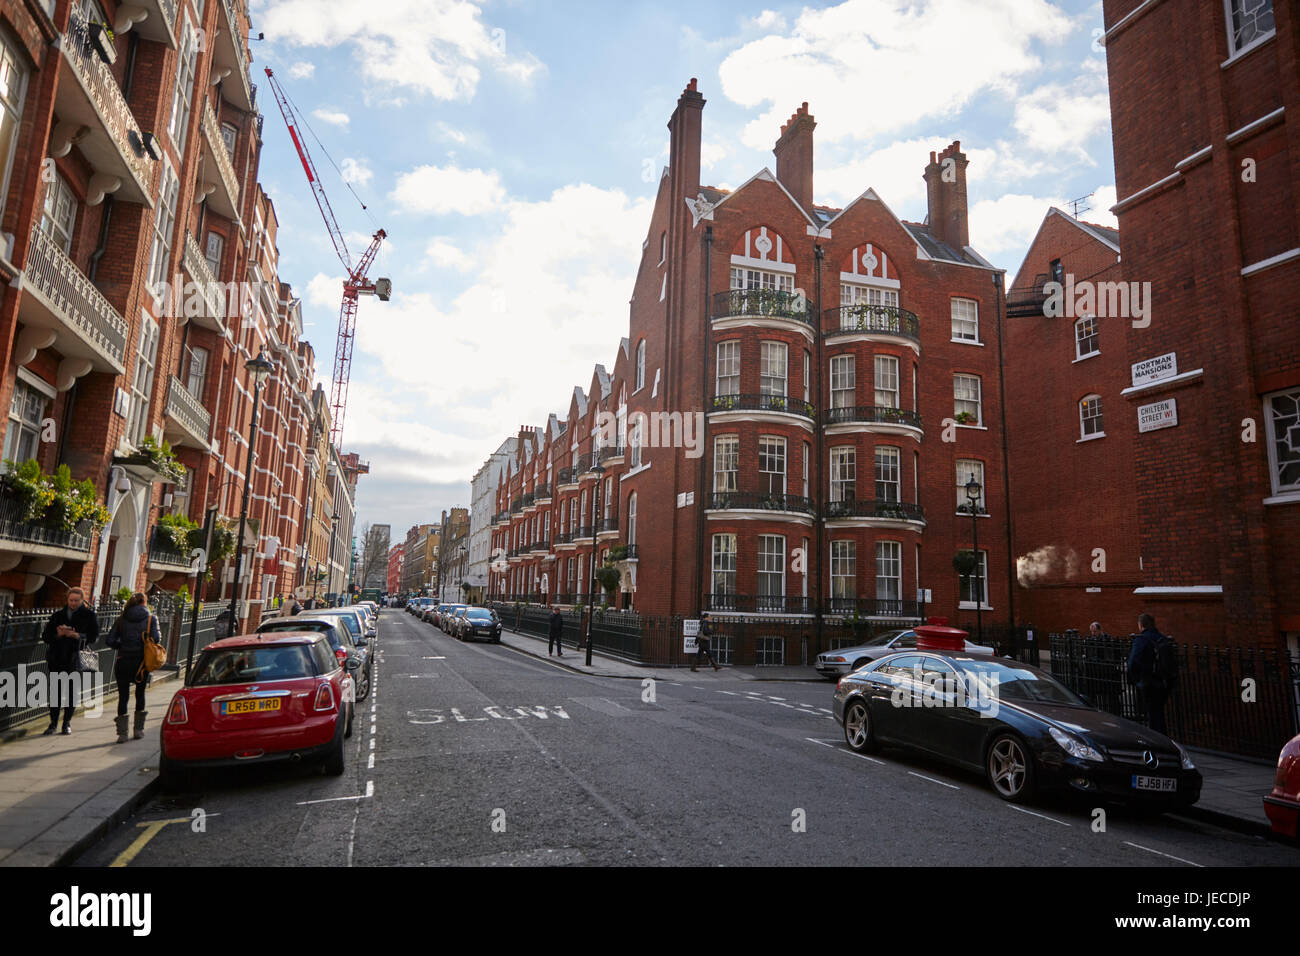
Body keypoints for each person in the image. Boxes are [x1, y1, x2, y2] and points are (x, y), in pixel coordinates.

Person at [40, 587, 99, 735]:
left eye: (76, 601)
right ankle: (53, 723)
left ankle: (66, 723)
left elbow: (94, 637)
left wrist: (78, 636)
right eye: (71, 600)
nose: (73, 603)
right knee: (55, 692)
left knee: (71, 693)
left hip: (75, 659)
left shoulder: (89, 615)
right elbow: (46, 637)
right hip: (57, 658)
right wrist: (58, 634)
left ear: (81, 600)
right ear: (67, 600)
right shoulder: (58, 615)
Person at [105, 591, 162, 743]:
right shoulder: (151, 618)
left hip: (123, 660)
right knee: (140, 693)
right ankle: (138, 730)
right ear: (144, 602)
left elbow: (109, 640)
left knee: (123, 697)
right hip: (141, 663)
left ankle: (122, 734)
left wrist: (122, 645)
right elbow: (156, 638)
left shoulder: (121, 619)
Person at [1126, 612, 1169, 734]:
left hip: (1148, 682)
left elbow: (1133, 663)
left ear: (1141, 625)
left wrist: (1137, 681)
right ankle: (1163, 738)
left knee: (1151, 716)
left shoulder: (1141, 640)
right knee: (1159, 714)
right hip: (1163, 682)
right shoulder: (1163, 639)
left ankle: (1156, 741)